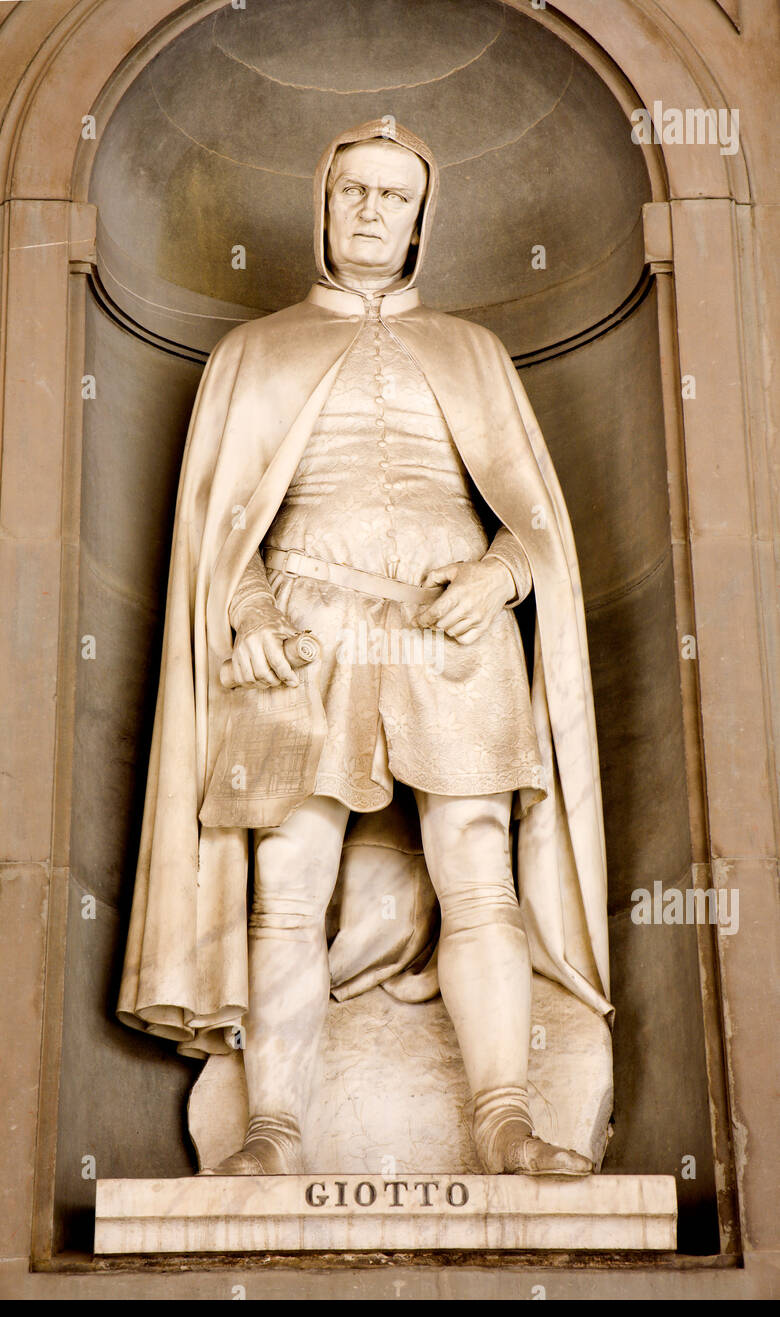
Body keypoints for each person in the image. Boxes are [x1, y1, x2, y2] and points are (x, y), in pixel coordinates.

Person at [118, 119, 611, 1178]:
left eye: (395, 195)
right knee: (287, 879)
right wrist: (246, 613)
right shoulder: (254, 350)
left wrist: (500, 574)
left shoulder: (473, 349)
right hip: (305, 630)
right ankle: (274, 1130)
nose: (373, 211)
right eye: (355, 192)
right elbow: (221, 527)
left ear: (423, 218)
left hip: (453, 630)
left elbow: (536, 523)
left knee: (479, 871)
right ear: (323, 205)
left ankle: (504, 1118)